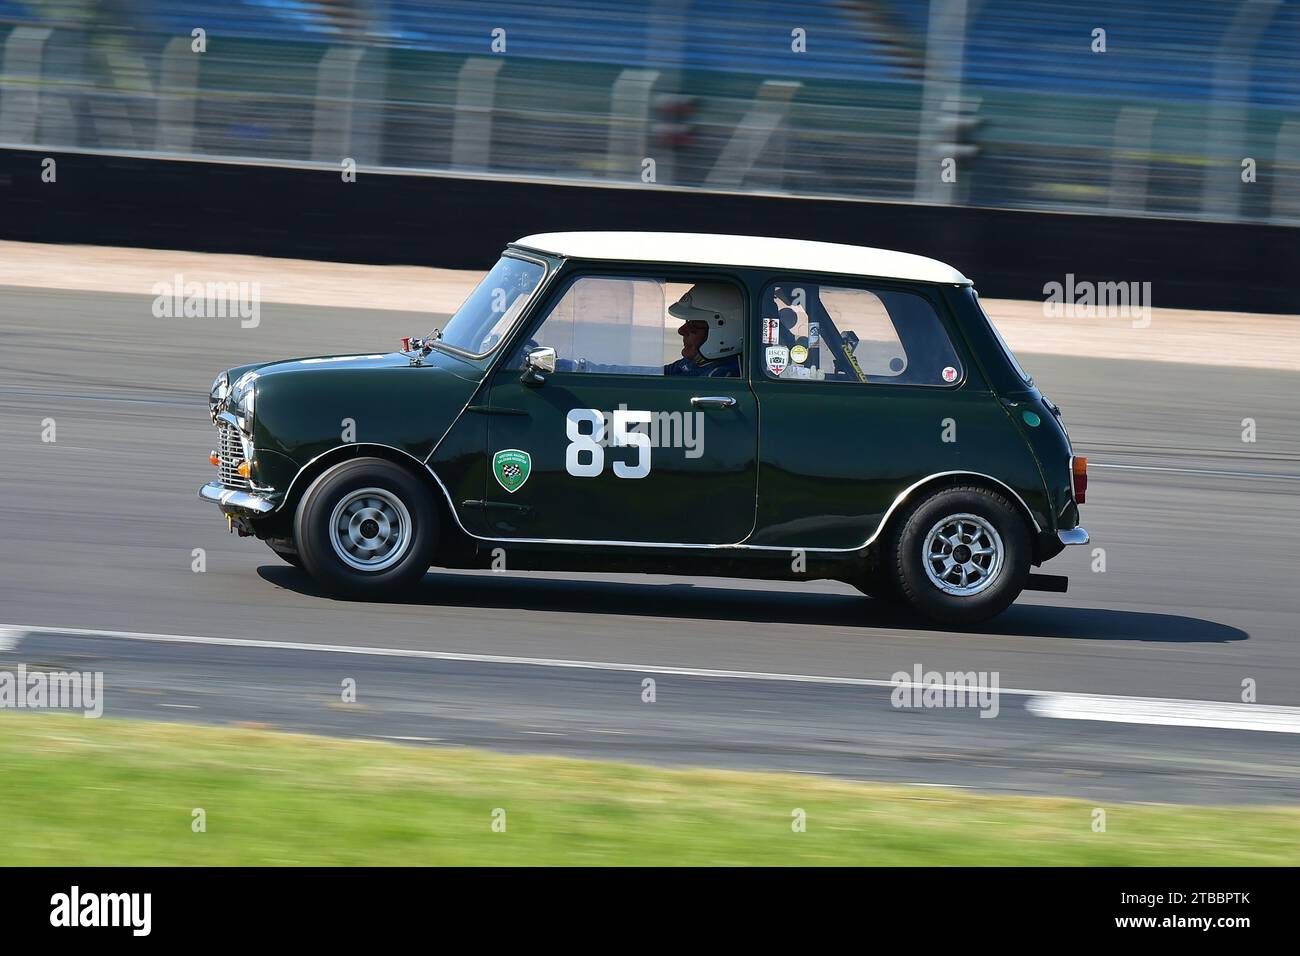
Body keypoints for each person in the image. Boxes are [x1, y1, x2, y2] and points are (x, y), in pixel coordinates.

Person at [663, 283, 743, 377]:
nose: (681, 330)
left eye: (695, 323)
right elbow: (654, 374)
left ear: (724, 332)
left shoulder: (721, 378)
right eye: (688, 321)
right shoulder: (699, 360)